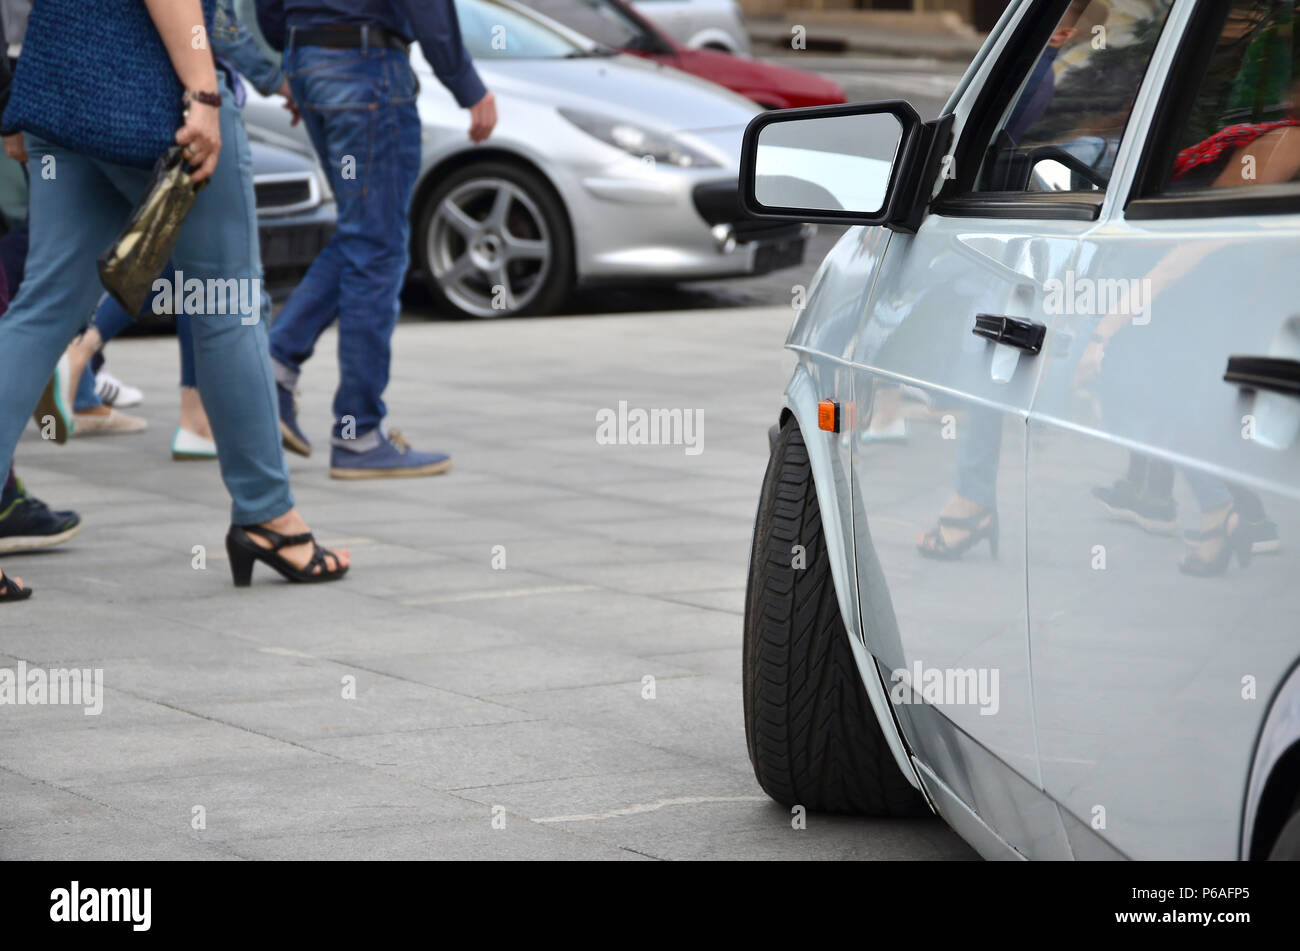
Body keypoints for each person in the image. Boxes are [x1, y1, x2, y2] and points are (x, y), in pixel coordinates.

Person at [0, 0, 351, 602]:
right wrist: (203, 93)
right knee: (228, 305)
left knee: (42, 310)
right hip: (159, 90)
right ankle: (269, 517)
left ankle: (266, 513)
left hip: (62, 90)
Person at [255, 0, 497, 477]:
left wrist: (300, 56)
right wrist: (466, 84)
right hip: (366, 71)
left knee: (363, 235)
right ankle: (358, 434)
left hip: (313, 64)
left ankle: (276, 367)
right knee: (378, 248)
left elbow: (268, 9)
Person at [55, 0, 302, 459]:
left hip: (101, 98)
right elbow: (219, 25)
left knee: (174, 266)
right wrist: (213, 94)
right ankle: (91, 359)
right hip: (174, 99)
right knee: (220, 285)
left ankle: (187, 412)